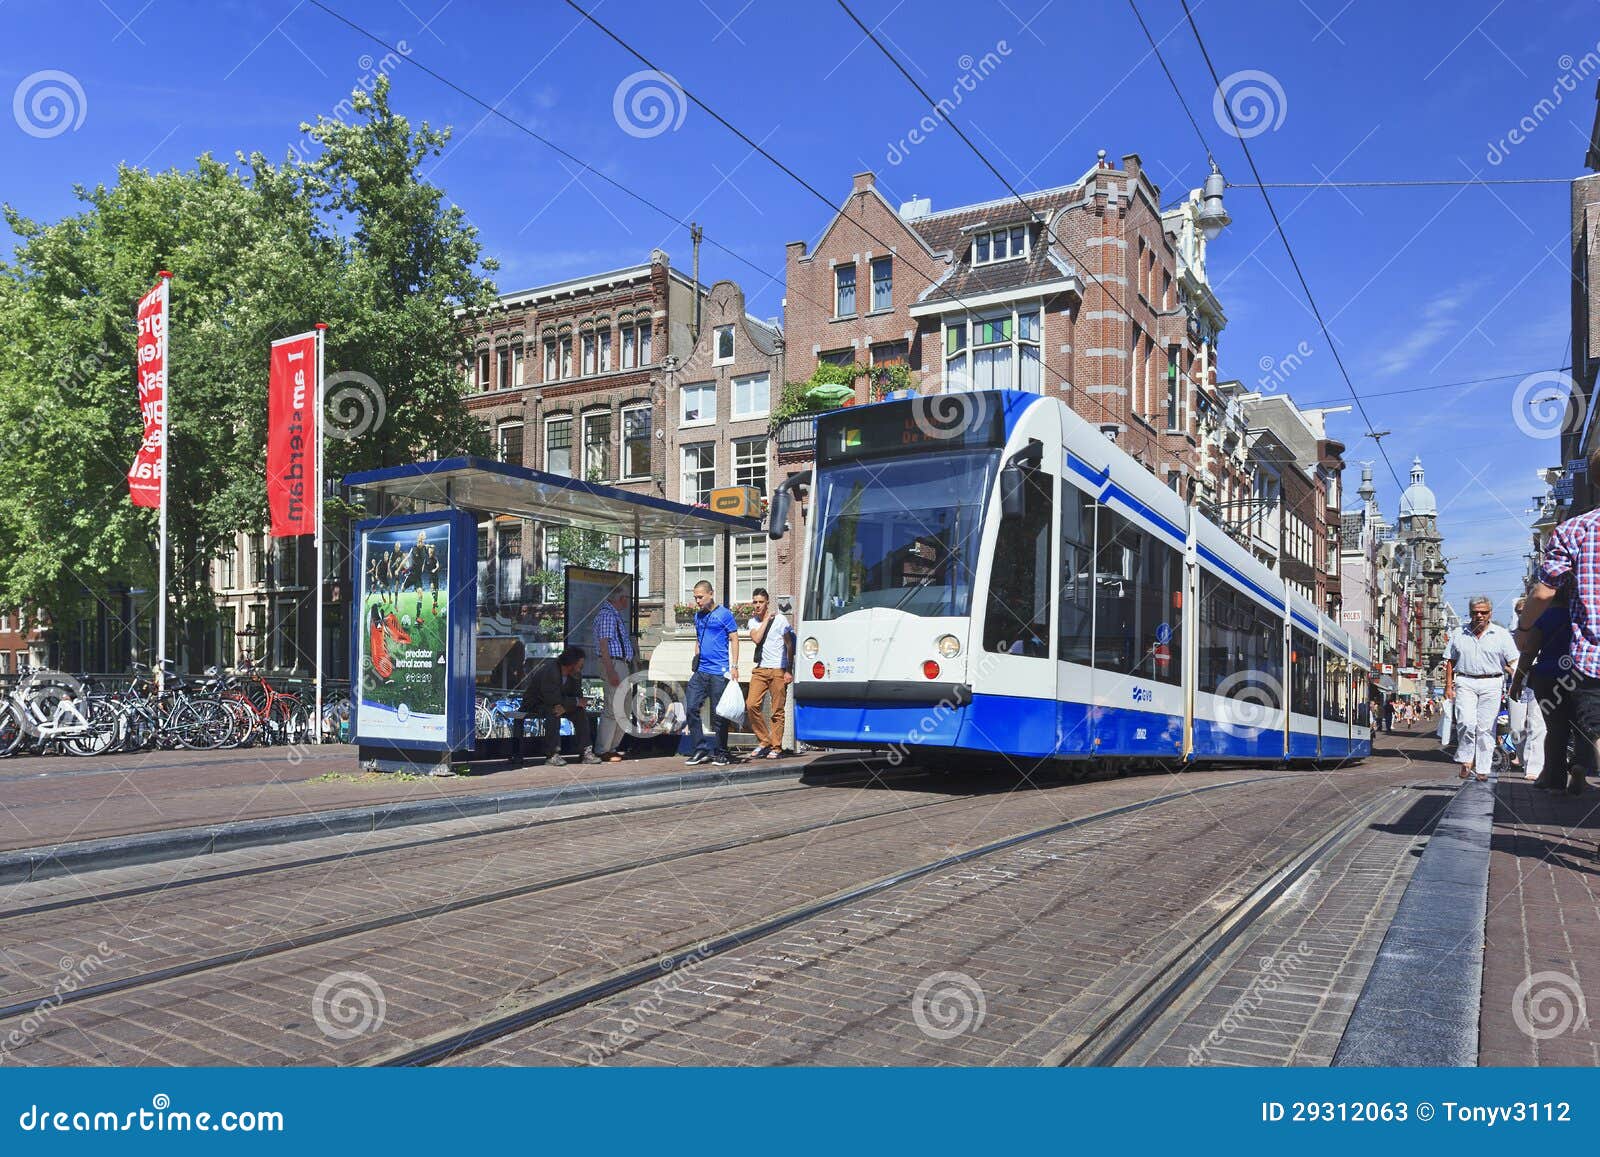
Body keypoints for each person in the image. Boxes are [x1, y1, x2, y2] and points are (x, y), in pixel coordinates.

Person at [1518, 451, 1600, 795]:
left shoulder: (1577, 529)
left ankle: (1562, 771)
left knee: (1587, 730)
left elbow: (1544, 590)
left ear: (1594, 480)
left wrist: (1522, 630)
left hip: (1592, 660)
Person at [1444, 595, 1519, 782]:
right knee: (1465, 723)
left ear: (1490, 614)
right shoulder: (1458, 633)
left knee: (1486, 728)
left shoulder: (1501, 635)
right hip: (1465, 681)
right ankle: (1467, 759)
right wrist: (1448, 686)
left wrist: (1515, 682)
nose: (1479, 615)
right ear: (1470, 613)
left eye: (1483, 612)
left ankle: (1483, 768)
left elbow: (1513, 661)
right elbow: (1450, 661)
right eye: (1475, 612)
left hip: (1492, 682)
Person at [1515, 583, 1573, 791]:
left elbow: (1529, 652)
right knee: (1585, 729)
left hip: (1547, 677)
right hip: (1578, 676)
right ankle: (1579, 767)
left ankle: (1554, 780)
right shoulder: (1581, 616)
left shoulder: (1543, 619)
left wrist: (1516, 682)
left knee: (1556, 729)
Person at [511, 645, 601, 767]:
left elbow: (578, 697)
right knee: (553, 711)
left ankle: (586, 752)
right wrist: (573, 702)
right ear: (571, 663)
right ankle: (552, 754)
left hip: (561, 704)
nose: (581, 667)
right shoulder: (550, 671)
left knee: (579, 712)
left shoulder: (575, 674)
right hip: (537, 703)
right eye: (580, 664)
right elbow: (551, 699)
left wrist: (571, 704)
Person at [684, 580, 739, 766]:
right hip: (701, 671)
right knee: (690, 707)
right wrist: (696, 658)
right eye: (695, 598)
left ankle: (722, 751)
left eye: (700, 597)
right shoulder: (698, 617)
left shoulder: (725, 614)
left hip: (719, 672)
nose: (697, 601)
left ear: (710, 594)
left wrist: (735, 666)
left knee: (719, 715)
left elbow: (734, 639)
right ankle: (701, 749)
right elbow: (698, 640)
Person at [744, 588, 794, 760]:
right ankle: (764, 741)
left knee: (777, 710)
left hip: (778, 670)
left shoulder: (780, 620)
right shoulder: (752, 622)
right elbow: (757, 639)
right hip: (761, 669)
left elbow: (789, 645)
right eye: (755, 602)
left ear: (767, 603)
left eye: (761, 602)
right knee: (751, 704)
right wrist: (765, 620)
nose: (757, 605)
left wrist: (789, 670)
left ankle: (776, 747)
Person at [592, 586, 637, 762]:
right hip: (614, 662)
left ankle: (611, 747)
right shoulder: (607, 614)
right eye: (626, 597)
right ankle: (603, 749)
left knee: (624, 707)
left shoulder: (614, 615)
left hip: (620, 663)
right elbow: (604, 644)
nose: (627, 601)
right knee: (612, 707)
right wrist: (610, 670)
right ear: (618, 598)